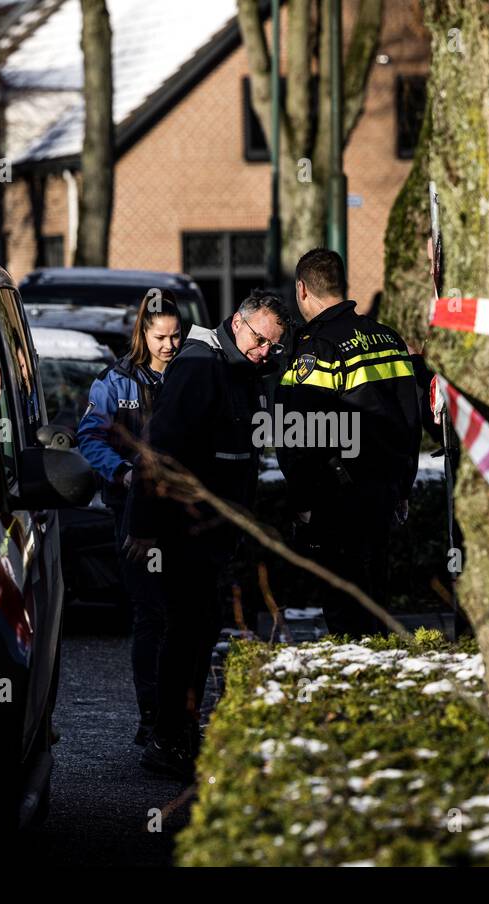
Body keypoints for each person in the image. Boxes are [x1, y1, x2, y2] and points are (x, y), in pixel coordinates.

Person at [124, 290, 290, 780]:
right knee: (184, 633)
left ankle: (179, 732)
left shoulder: (239, 370)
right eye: (260, 340)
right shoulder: (201, 366)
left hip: (213, 533)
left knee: (198, 631)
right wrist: (145, 527)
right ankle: (169, 737)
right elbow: (160, 449)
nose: (265, 352)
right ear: (238, 324)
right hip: (185, 530)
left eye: (272, 347)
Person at [277, 248, 422, 637]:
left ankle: (357, 684)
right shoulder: (388, 339)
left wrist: (303, 500)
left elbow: (300, 432)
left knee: (345, 612)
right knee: (377, 601)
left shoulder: (317, 349)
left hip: (338, 501)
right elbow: (411, 423)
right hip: (385, 496)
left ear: (302, 289)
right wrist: (403, 487)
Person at [76, 293, 184, 746]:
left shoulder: (189, 375)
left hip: (180, 511)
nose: (170, 345)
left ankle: (174, 713)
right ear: (142, 334)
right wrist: (122, 474)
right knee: (149, 614)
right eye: (161, 336)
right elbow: (89, 437)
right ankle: (150, 715)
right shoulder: (115, 382)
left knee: (176, 614)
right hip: (132, 510)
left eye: (177, 335)